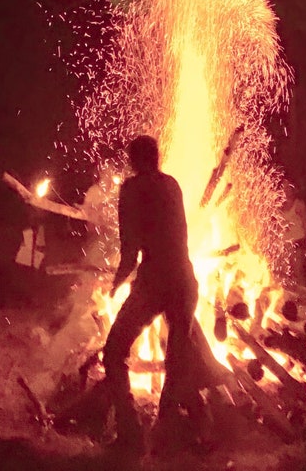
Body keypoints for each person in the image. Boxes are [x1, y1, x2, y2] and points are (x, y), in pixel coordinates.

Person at [102, 135, 200, 456]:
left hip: (155, 283)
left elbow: (130, 251)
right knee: (177, 360)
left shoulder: (131, 189)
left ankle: (131, 433)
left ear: (133, 161)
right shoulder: (172, 184)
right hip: (185, 281)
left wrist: (116, 284)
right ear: (157, 158)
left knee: (114, 351)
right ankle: (166, 430)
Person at [279, 182, 306, 284]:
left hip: (298, 241)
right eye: (284, 188)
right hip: (284, 243)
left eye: (289, 187)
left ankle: (304, 297)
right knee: (288, 274)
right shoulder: (279, 205)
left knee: (299, 272)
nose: (286, 190)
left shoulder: (299, 205)